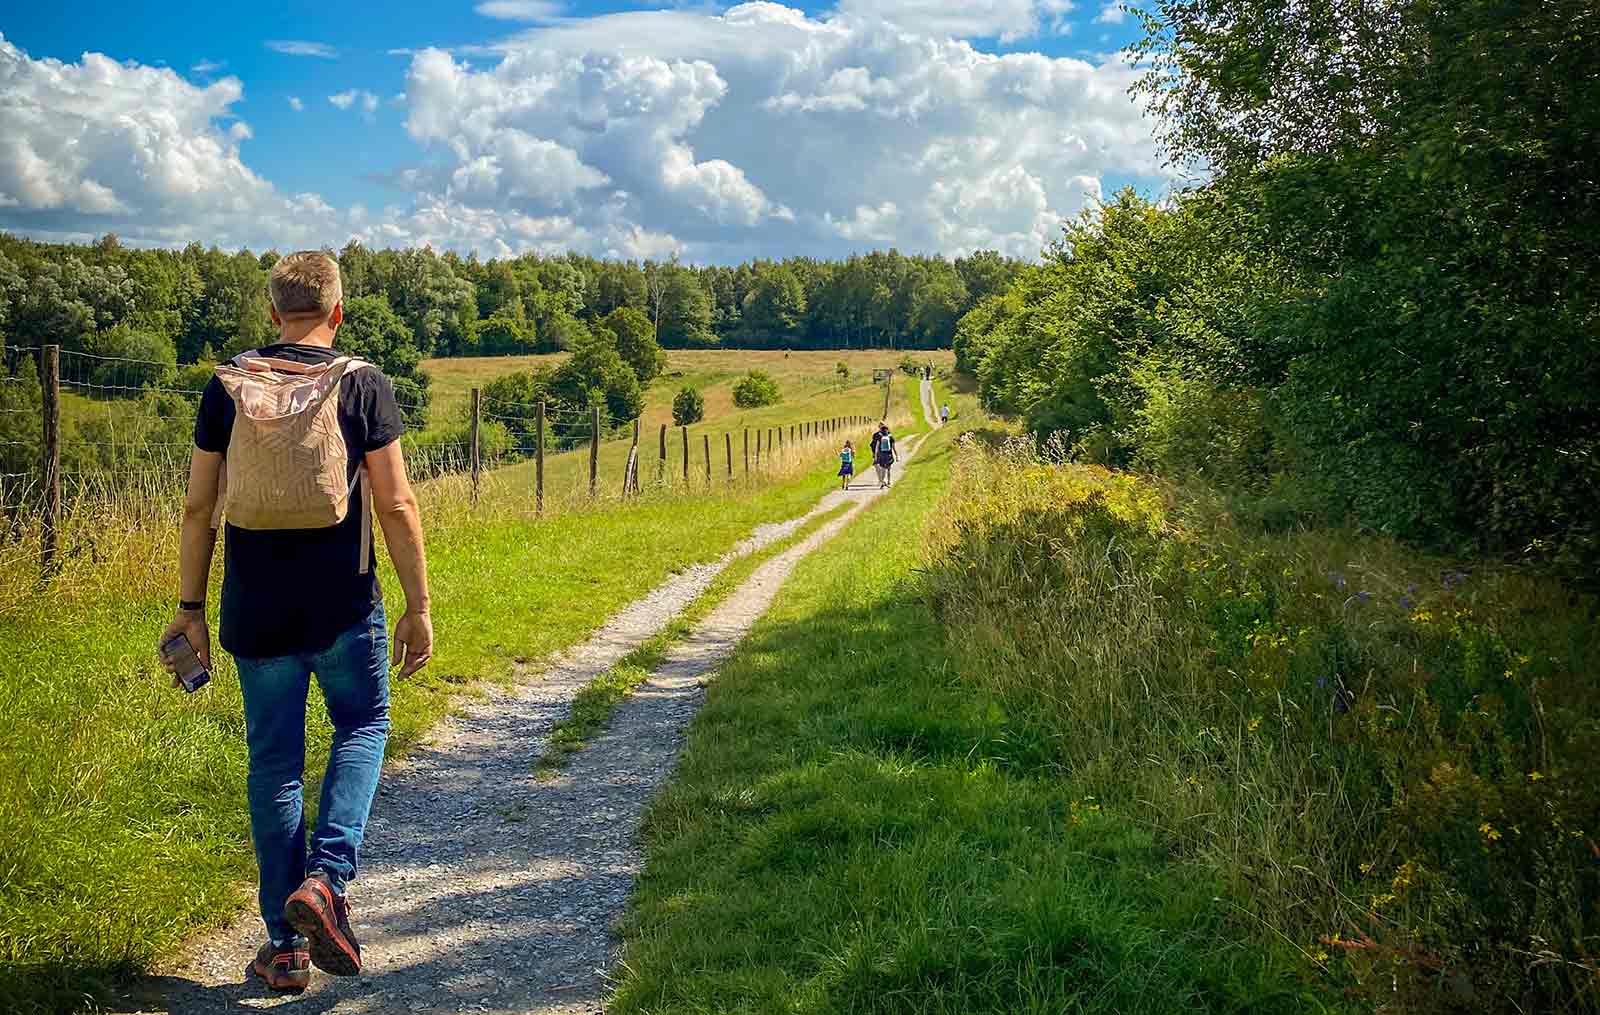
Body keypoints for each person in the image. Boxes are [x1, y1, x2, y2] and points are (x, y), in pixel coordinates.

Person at [158, 251, 434, 994]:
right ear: (337, 311)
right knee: (365, 723)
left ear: (273, 312)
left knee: (274, 765)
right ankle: (328, 881)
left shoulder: (228, 386)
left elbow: (196, 508)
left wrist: (190, 607)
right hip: (345, 605)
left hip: (254, 610)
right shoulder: (361, 383)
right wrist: (419, 603)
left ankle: (282, 947)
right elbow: (397, 503)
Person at [873, 423, 897, 488]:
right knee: (888, 469)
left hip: (882, 455)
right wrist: (896, 455)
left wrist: (875, 456)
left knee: (883, 469)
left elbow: (877, 447)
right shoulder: (890, 437)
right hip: (889, 455)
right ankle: (888, 481)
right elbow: (893, 447)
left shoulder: (879, 436)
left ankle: (883, 482)